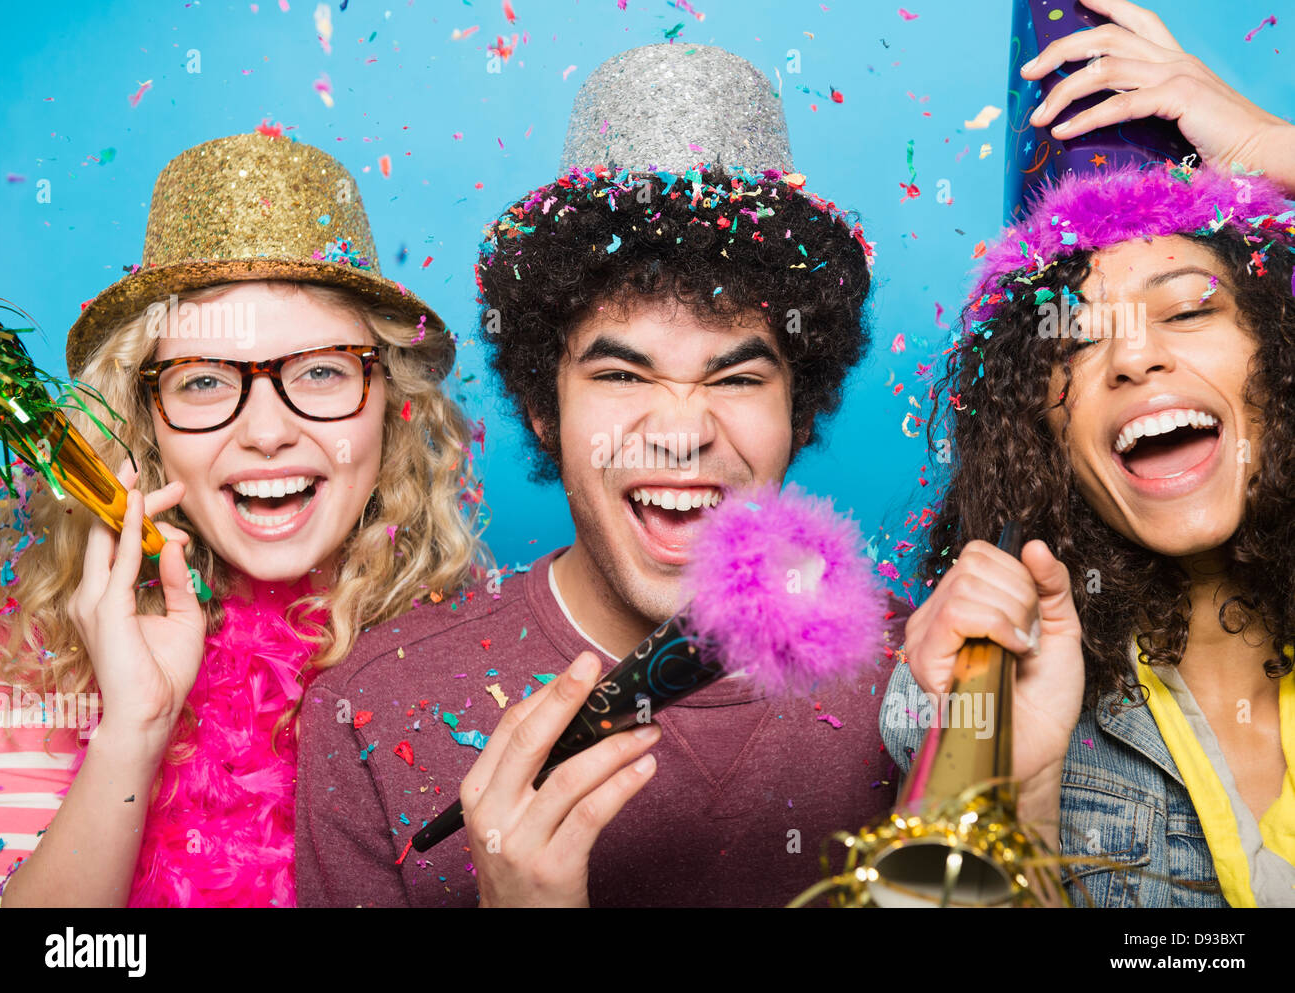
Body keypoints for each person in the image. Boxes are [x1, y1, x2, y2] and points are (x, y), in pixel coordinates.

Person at [295, 43, 908, 907]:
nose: (679, 434)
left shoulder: (928, 685)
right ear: (544, 407)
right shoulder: (370, 708)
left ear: (800, 412)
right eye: (621, 375)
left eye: (735, 378)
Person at [0, 131, 483, 907]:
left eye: (321, 371)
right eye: (203, 382)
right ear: (144, 417)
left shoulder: (490, 663)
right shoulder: (32, 668)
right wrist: (135, 732)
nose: (264, 431)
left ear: (392, 404)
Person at [882, 0, 1295, 907]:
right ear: (1041, 423)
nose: (1137, 355)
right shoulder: (961, 693)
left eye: (1189, 308)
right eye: (1075, 337)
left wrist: (1272, 147)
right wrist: (1020, 795)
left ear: (1277, 352)